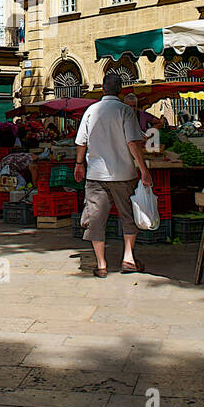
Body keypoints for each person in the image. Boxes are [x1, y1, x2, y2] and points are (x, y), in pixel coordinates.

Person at [73, 71, 153, 277]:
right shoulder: (125, 111)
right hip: (123, 174)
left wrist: (79, 164)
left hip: (96, 175)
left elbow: (81, 142)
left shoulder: (91, 110)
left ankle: (101, 265)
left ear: (102, 88)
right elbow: (133, 143)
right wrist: (143, 169)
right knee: (127, 215)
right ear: (121, 90)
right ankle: (128, 258)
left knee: (96, 218)